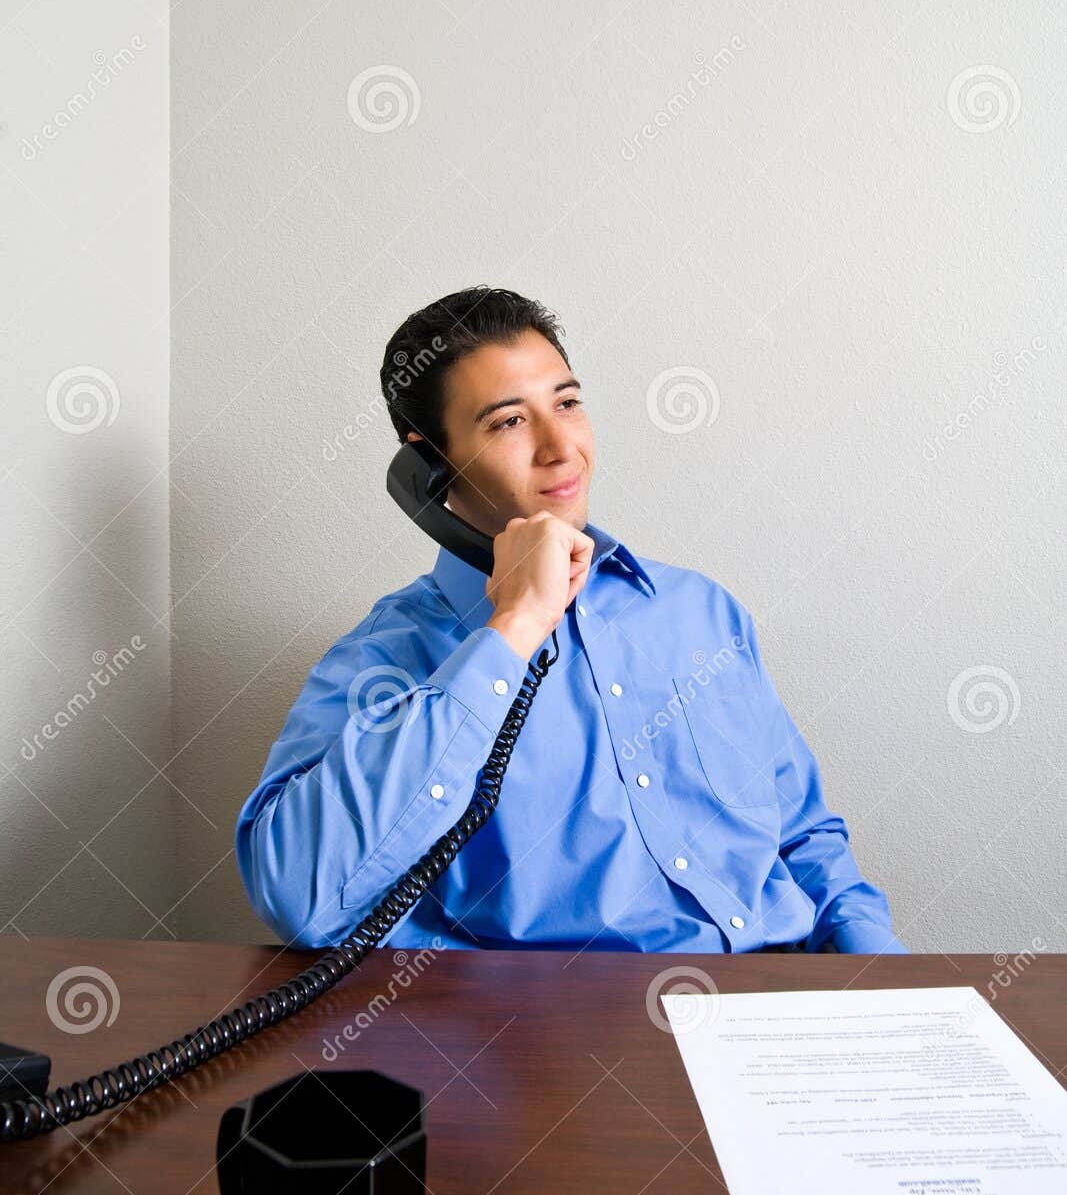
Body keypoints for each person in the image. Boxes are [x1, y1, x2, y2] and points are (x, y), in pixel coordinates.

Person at [234, 285, 908, 956]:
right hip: (562, 1036)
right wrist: (514, 625)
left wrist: (880, 974)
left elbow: (804, 836)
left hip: (777, 1007)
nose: (560, 448)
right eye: (507, 422)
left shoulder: (698, 613)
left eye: (566, 403)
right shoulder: (388, 656)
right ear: (429, 465)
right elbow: (302, 900)